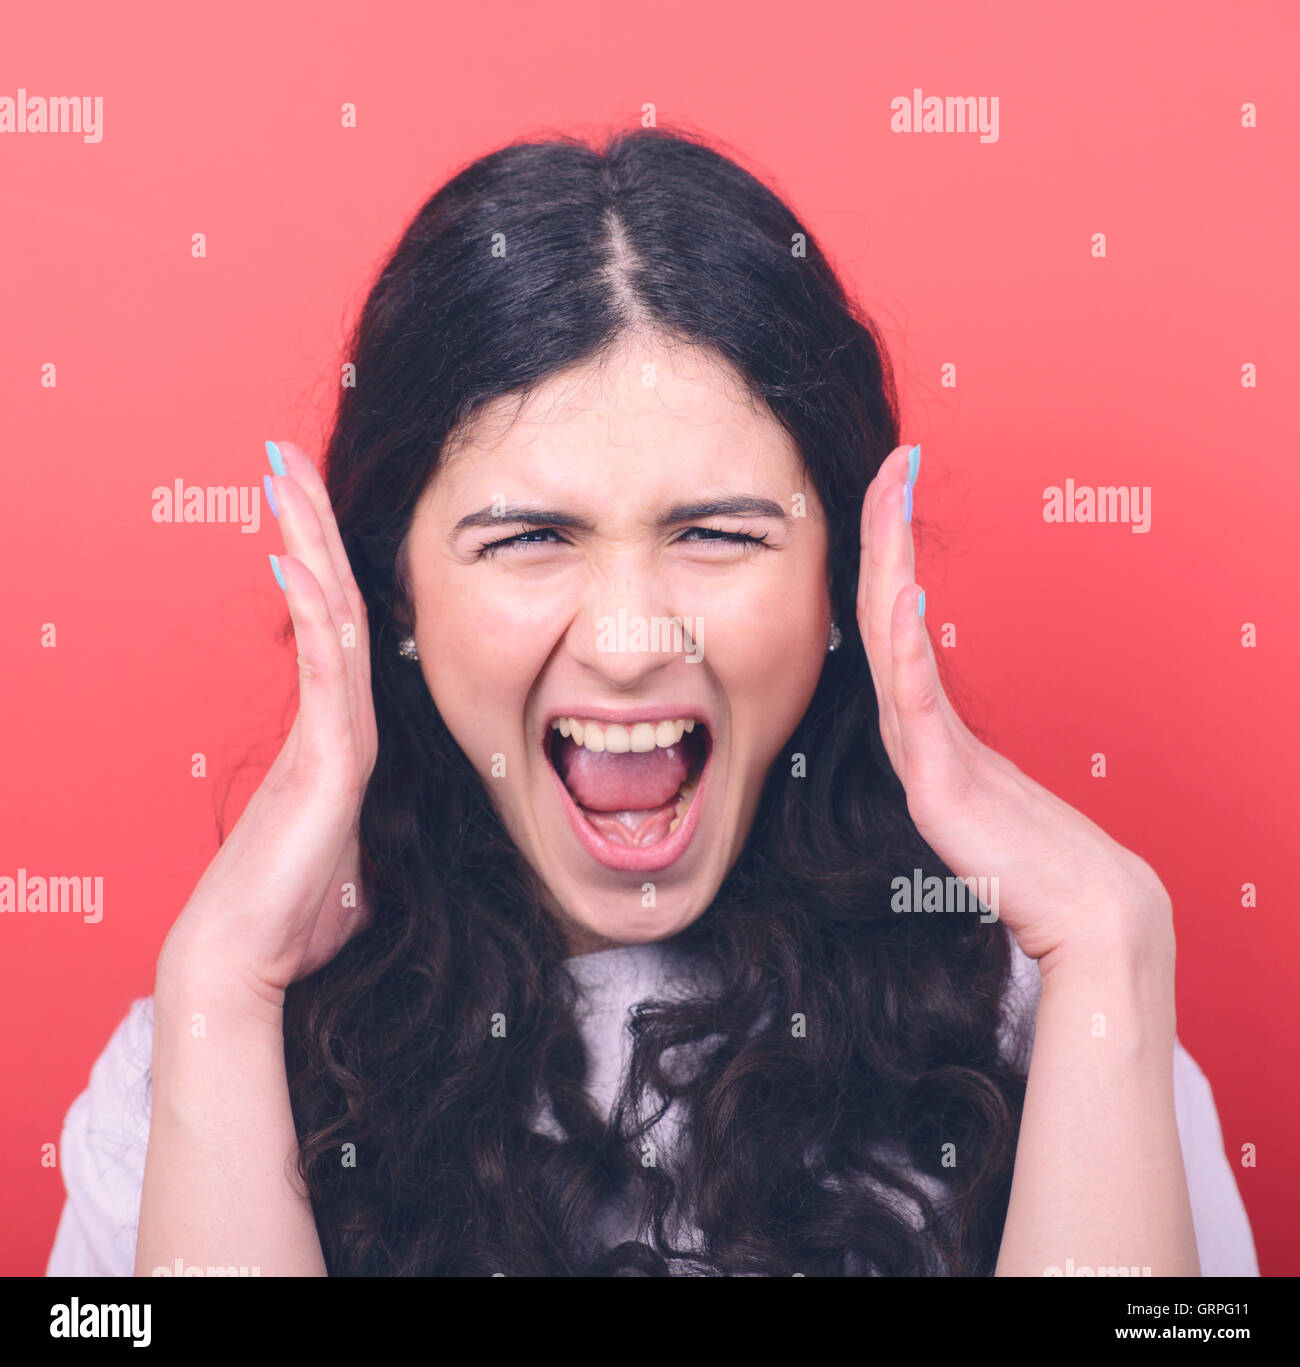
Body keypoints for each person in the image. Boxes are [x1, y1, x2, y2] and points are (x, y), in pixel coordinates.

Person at [48, 125, 1257, 1277]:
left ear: (840, 576)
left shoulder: (1073, 1036)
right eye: (526, 536)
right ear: (393, 596)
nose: (629, 643)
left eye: (718, 531)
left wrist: (1109, 937)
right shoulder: (201, 1069)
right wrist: (217, 989)